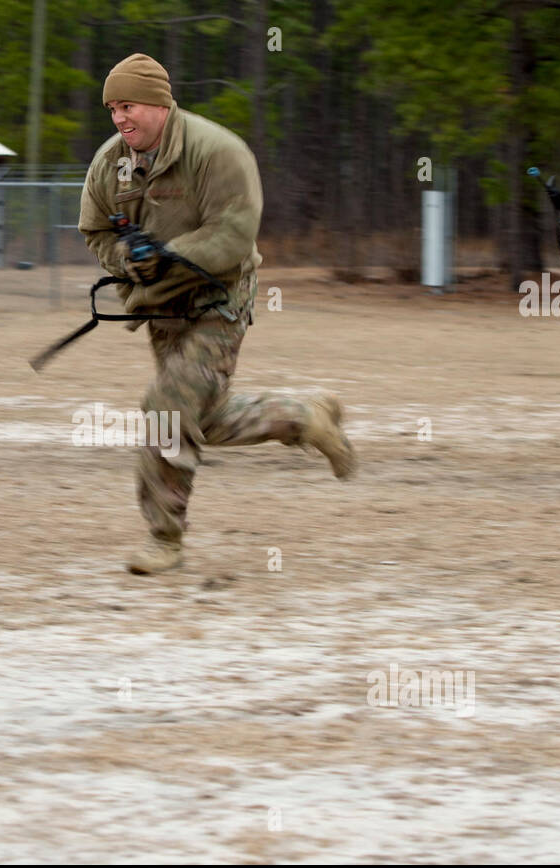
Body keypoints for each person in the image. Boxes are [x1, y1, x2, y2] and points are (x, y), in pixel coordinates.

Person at [79, 53, 357, 575]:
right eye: (112, 107)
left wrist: (163, 255)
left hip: (218, 299)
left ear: (160, 104)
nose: (119, 117)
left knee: (165, 406)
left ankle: (164, 539)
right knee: (193, 416)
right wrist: (125, 259)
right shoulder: (109, 162)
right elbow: (94, 229)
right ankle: (303, 415)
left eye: (129, 105)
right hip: (161, 306)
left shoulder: (219, 152)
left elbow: (234, 235)